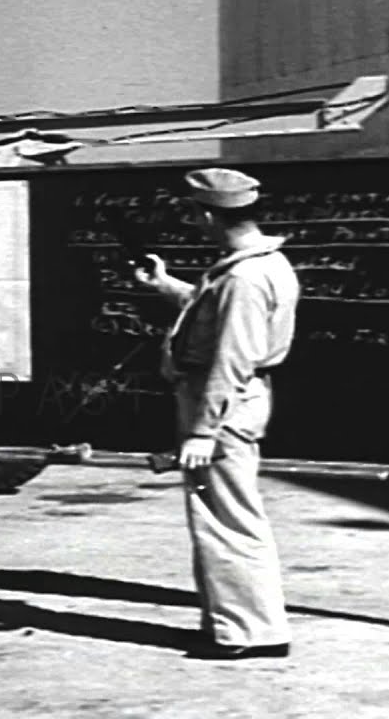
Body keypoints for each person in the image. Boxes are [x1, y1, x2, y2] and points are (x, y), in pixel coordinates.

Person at [133, 168, 298, 661]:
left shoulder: (244, 278)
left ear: (208, 215)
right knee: (222, 514)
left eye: (193, 213)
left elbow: (232, 358)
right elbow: (211, 312)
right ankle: (233, 624)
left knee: (227, 519)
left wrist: (204, 431)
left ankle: (251, 632)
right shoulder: (259, 265)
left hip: (223, 406)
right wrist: (165, 284)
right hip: (230, 401)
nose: (192, 222)